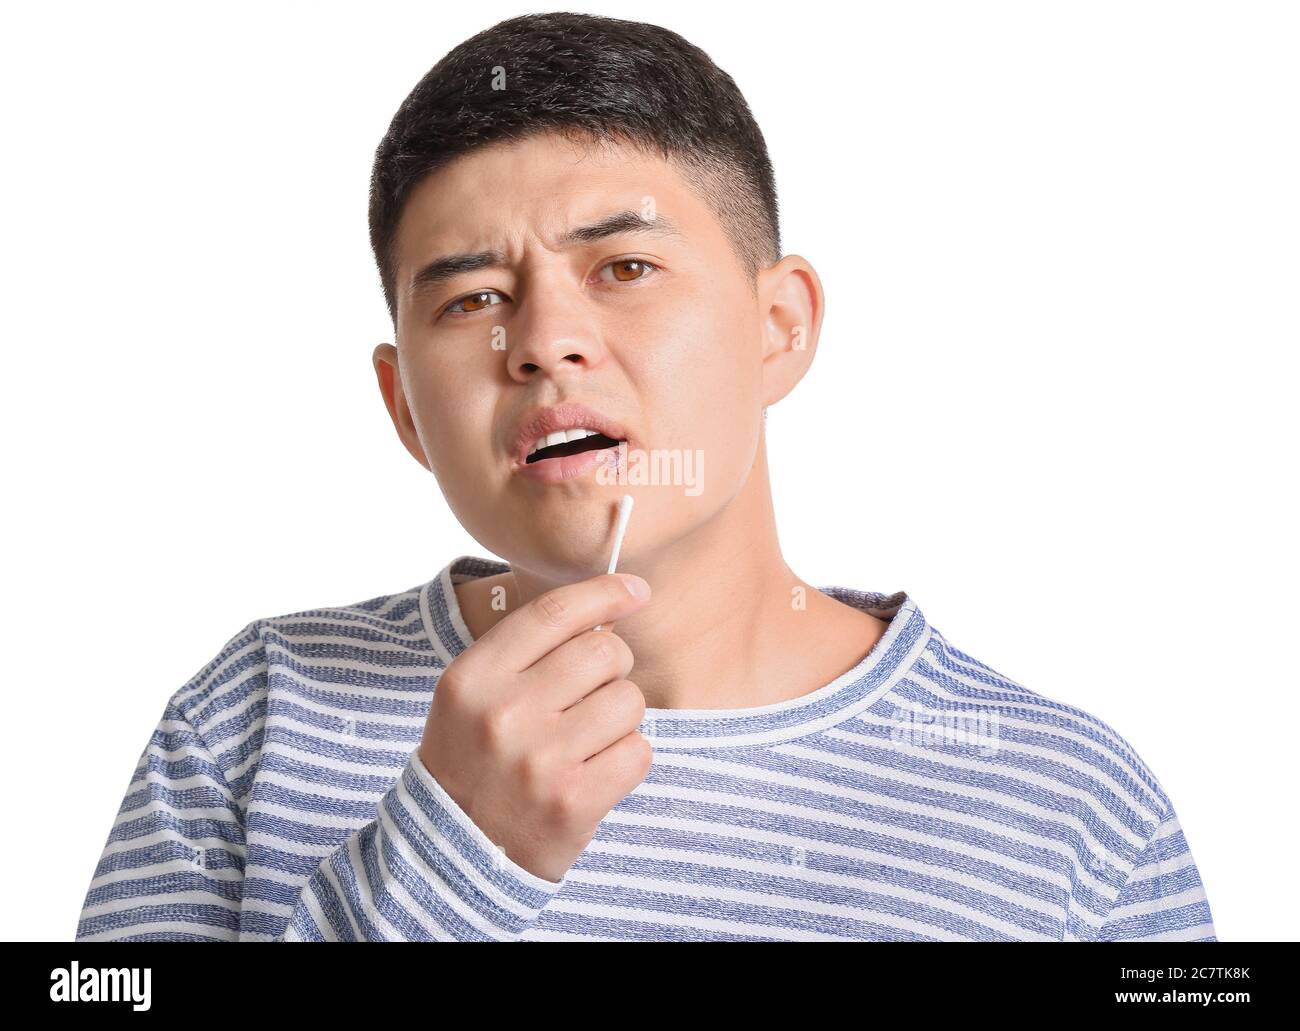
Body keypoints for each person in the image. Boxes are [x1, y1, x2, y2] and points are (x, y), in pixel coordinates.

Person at [75, 11, 1216, 942]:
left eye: (623, 266)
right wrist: (446, 861)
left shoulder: (1067, 799)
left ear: (778, 327)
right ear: (403, 408)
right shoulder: (256, 714)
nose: (544, 341)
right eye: (471, 298)